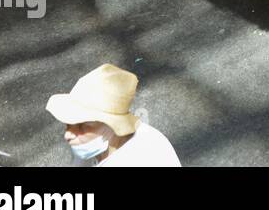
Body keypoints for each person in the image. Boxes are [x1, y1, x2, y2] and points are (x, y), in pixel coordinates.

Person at [46, 64, 180, 167]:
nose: (68, 134)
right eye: (69, 124)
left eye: (83, 125)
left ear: (113, 125)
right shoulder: (98, 140)